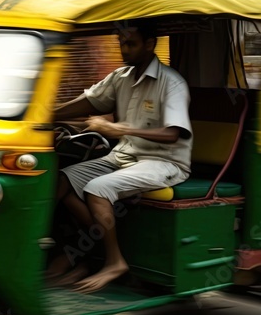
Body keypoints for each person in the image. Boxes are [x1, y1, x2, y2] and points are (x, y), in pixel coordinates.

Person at [51, 21, 192, 293]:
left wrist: (118, 128)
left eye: (131, 44)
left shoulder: (172, 83)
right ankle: (77, 253)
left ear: (150, 45)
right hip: (124, 155)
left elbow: (174, 133)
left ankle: (115, 262)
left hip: (164, 162)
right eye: (121, 43)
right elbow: (88, 102)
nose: (124, 50)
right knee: (62, 180)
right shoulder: (121, 77)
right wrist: (47, 115)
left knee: (97, 189)